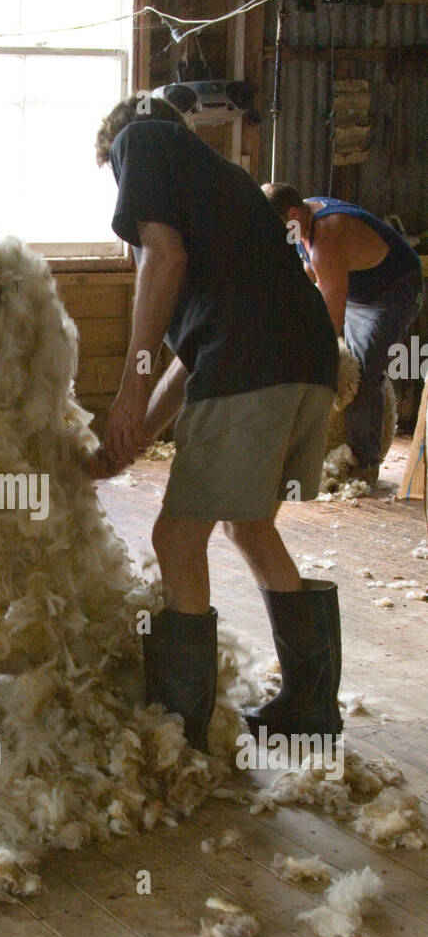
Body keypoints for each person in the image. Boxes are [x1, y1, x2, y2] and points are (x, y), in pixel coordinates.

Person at [88, 94, 341, 755]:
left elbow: (162, 261)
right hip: (305, 355)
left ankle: (180, 731)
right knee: (248, 525)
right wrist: (138, 429)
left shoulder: (139, 138)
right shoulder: (224, 190)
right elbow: (195, 349)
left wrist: (128, 384)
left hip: (253, 358)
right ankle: (308, 707)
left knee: (176, 536)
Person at [263, 184, 424, 486]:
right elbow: (311, 272)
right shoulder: (302, 217)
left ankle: (364, 464)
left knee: (359, 370)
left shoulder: (328, 236)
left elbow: (330, 324)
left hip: (394, 291)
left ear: (293, 213)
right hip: (354, 282)